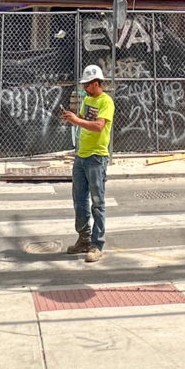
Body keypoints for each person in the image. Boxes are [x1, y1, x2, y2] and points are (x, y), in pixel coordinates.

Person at [61, 64, 114, 263]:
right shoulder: (87, 99)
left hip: (96, 157)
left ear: (96, 83)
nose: (84, 87)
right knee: (80, 200)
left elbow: (99, 126)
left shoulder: (106, 101)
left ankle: (96, 244)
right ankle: (84, 238)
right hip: (81, 156)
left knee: (97, 202)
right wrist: (72, 118)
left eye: (87, 84)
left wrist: (76, 120)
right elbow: (83, 119)